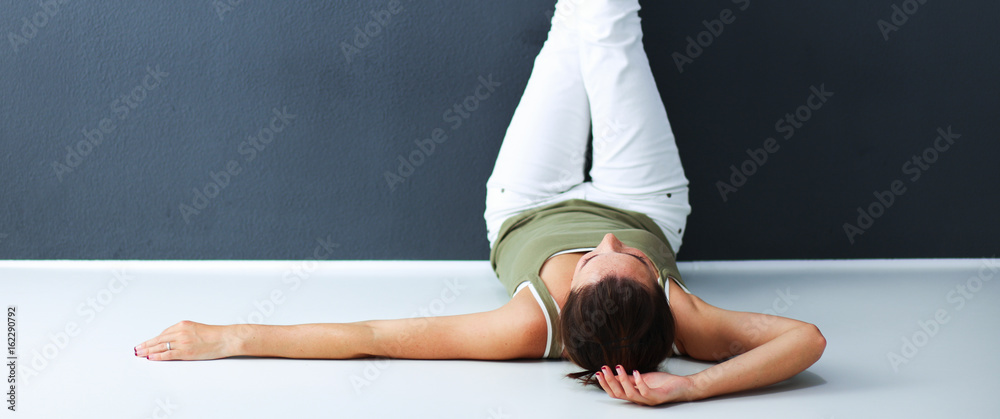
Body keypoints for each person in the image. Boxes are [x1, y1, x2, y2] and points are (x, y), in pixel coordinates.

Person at [134, 0, 825, 406]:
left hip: (526, 204)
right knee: (609, 23)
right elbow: (808, 339)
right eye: (636, 263)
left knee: (570, 27)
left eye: (596, 262)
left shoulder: (527, 328)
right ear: (661, 294)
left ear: (571, 298)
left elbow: (371, 337)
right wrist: (688, 389)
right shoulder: (684, 320)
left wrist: (227, 336)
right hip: (644, 199)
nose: (608, 244)